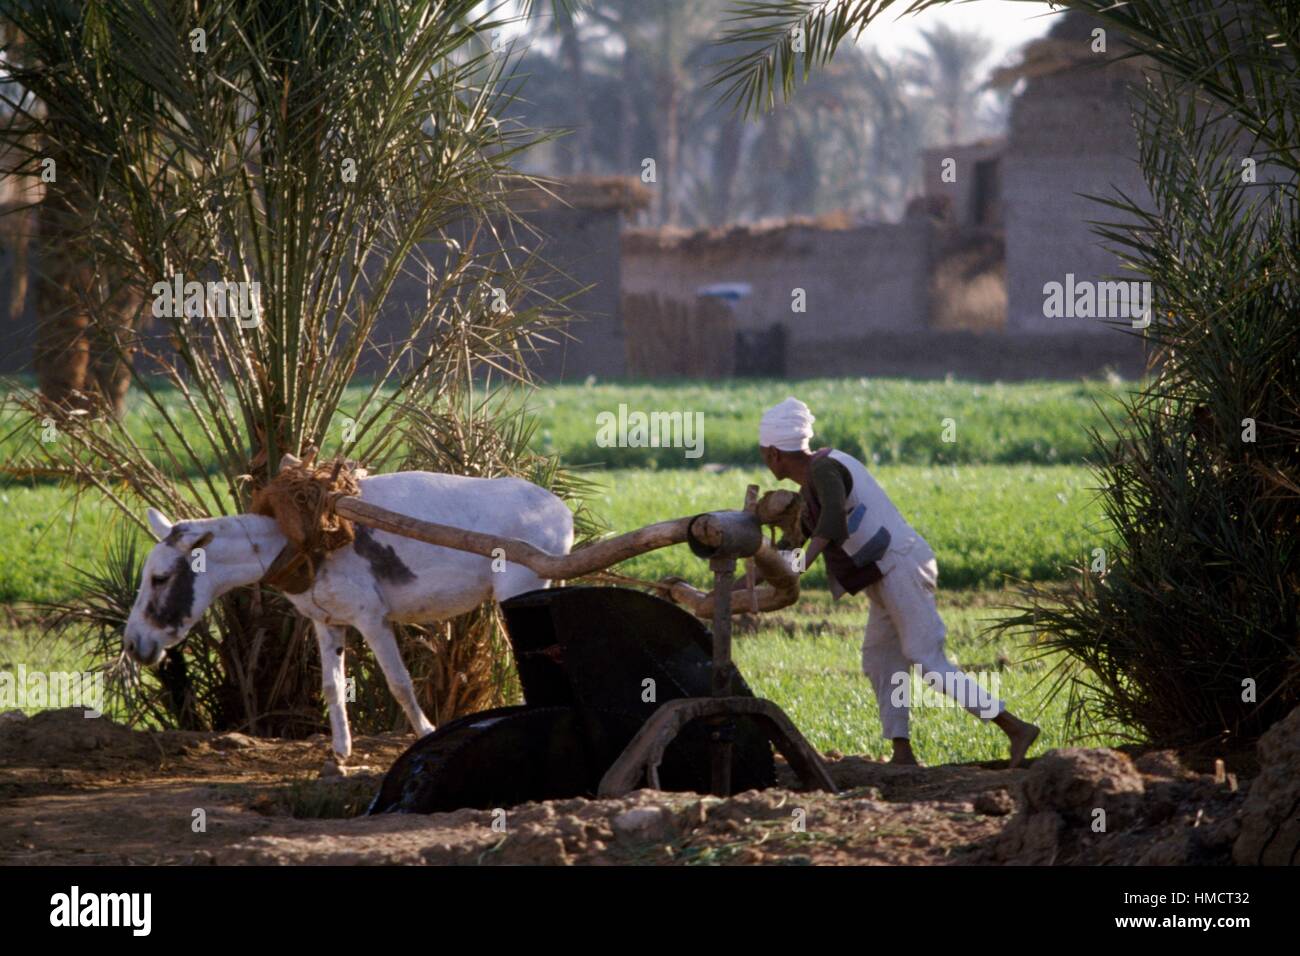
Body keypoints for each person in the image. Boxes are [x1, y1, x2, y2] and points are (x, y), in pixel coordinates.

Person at [756, 397, 1040, 768]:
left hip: (901, 566)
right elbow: (798, 539)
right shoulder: (812, 485)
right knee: (880, 659)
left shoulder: (825, 470)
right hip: (882, 575)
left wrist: (800, 567)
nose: (765, 459)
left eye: (764, 453)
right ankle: (902, 752)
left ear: (776, 454)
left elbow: (830, 527)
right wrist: (756, 570)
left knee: (927, 659)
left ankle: (1015, 728)